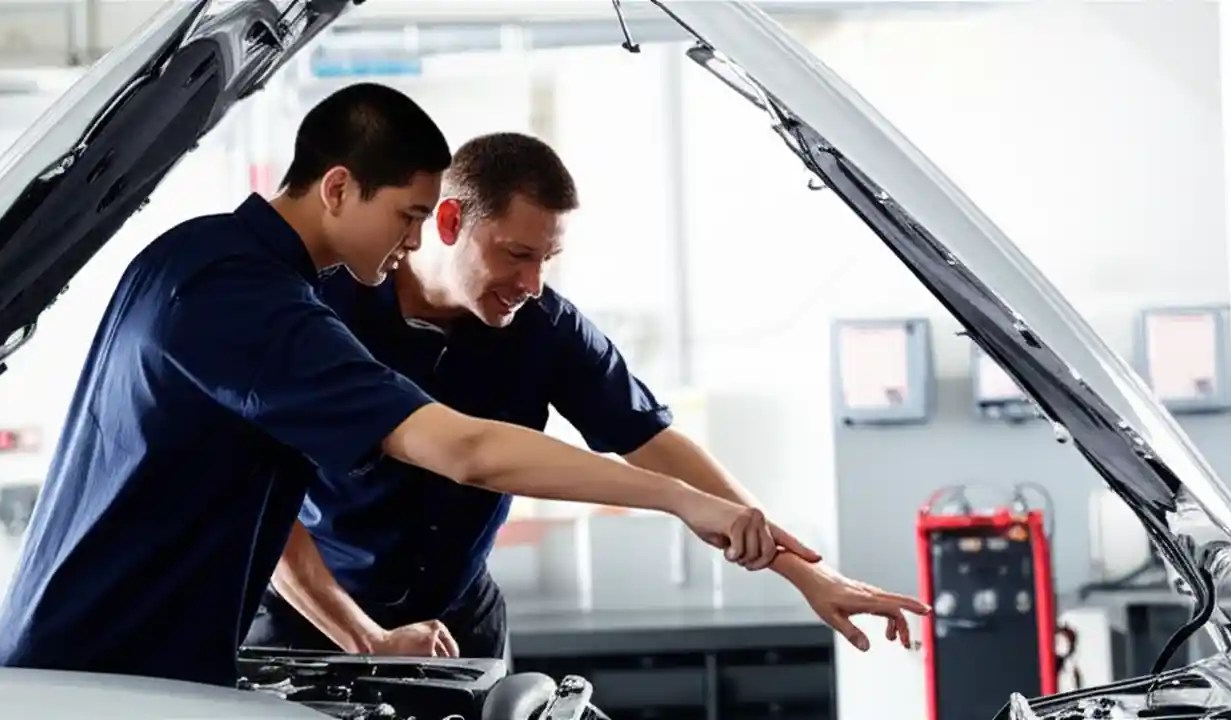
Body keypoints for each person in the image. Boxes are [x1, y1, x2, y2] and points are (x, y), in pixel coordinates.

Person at [0, 84, 813, 688]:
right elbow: (465, 448)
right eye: (410, 216)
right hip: (102, 662)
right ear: (339, 187)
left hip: (152, 648)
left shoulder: (206, 259)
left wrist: (790, 560)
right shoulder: (247, 301)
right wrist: (676, 501)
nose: (415, 240)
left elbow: (634, 430)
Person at [244, 132, 930, 663]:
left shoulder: (545, 328)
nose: (532, 282)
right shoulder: (319, 313)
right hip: (312, 617)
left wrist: (811, 575)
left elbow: (657, 446)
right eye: (516, 254)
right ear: (448, 220)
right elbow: (258, 506)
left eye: (546, 259)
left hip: (462, 622)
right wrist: (362, 638)